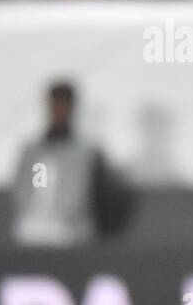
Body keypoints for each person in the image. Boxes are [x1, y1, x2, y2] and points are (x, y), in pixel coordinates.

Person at [11, 80, 133, 246]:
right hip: (35, 228)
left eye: (63, 105)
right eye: (55, 105)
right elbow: (22, 191)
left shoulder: (87, 152)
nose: (58, 111)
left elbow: (84, 195)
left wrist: (64, 221)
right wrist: (36, 215)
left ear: (71, 108)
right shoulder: (33, 152)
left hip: (73, 231)